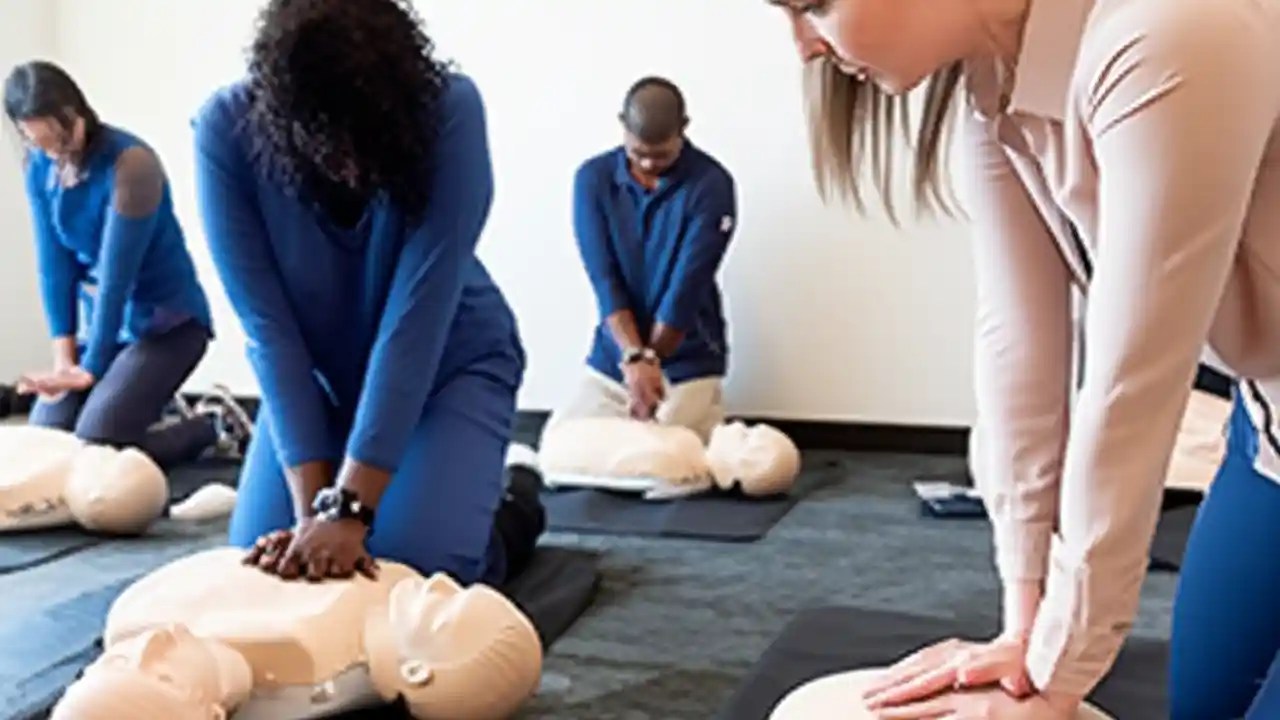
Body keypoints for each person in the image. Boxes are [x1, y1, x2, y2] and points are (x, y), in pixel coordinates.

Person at [771, 1, 1280, 718]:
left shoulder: (1175, 32)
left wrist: (1059, 678)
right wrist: (1024, 625)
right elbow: (1017, 341)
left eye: (814, 7)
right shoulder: (996, 81)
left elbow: (1132, 380)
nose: (804, 49)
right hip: (1266, 437)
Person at [191, 0, 544, 588]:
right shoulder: (224, 132)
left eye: (368, 138)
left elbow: (418, 316)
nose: (352, 166)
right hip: (323, 384)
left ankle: (514, 507)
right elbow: (268, 331)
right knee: (258, 564)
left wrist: (349, 509)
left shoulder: (451, 110)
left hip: (448, 366)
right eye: (330, 140)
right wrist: (312, 518)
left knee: (409, 567)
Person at [3, 61, 241, 469]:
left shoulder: (131, 165)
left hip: (168, 327)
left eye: (61, 140)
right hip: (107, 329)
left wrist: (90, 369)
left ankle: (213, 425)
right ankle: (151, 410)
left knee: (97, 444)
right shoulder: (38, 167)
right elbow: (54, 267)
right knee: (49, 444)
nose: (53, 154)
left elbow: (117, 279)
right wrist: (64, 359)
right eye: (39, 144)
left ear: (76, 112)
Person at [545, 77, 737, 445]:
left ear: (684, 130)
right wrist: (633, 359)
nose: (649, 163)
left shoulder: (711, 184)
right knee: (560, 447)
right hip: (614, 359)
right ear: (622, 127)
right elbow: (604, 280)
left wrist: (651, 363)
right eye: (637, 153)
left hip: (686, 360)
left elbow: (686, 288)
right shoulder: (593, 179)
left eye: (662, 154)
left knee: (668, 454)